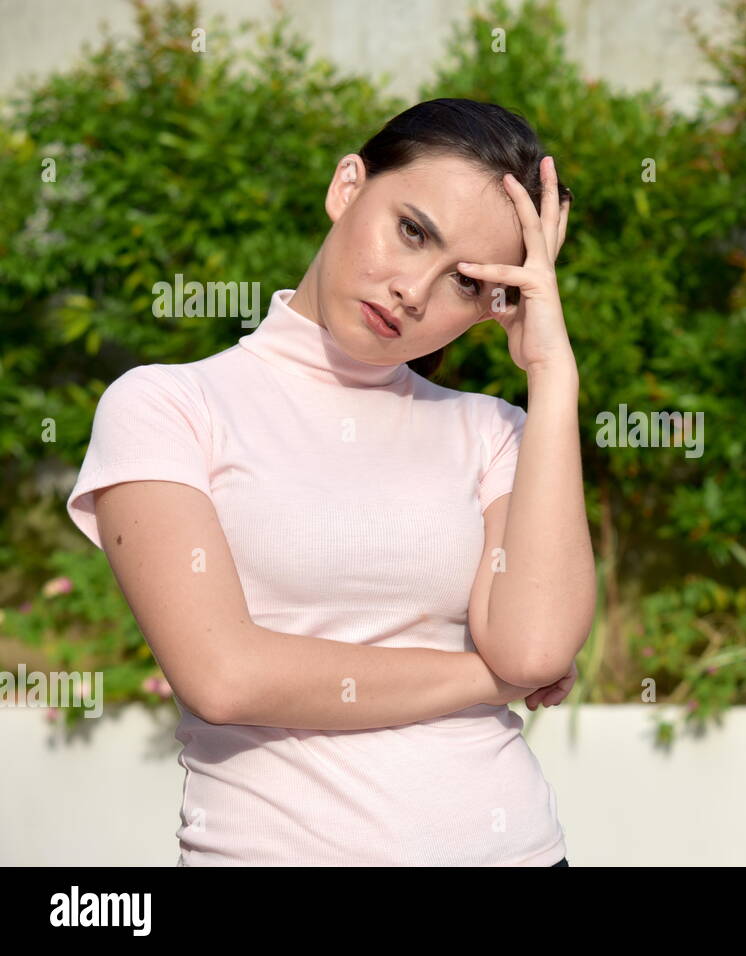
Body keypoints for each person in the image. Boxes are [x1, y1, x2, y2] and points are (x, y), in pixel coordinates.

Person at [65, 98, 595, 866]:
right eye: (412, 232)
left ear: (494, 306)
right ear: (347, 186)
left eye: (466, 283)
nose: (414, 290)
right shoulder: (169, 405)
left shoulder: (496, 432)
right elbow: (225, 676)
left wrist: (552, 374)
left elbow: (537, 646)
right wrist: (488, 678)